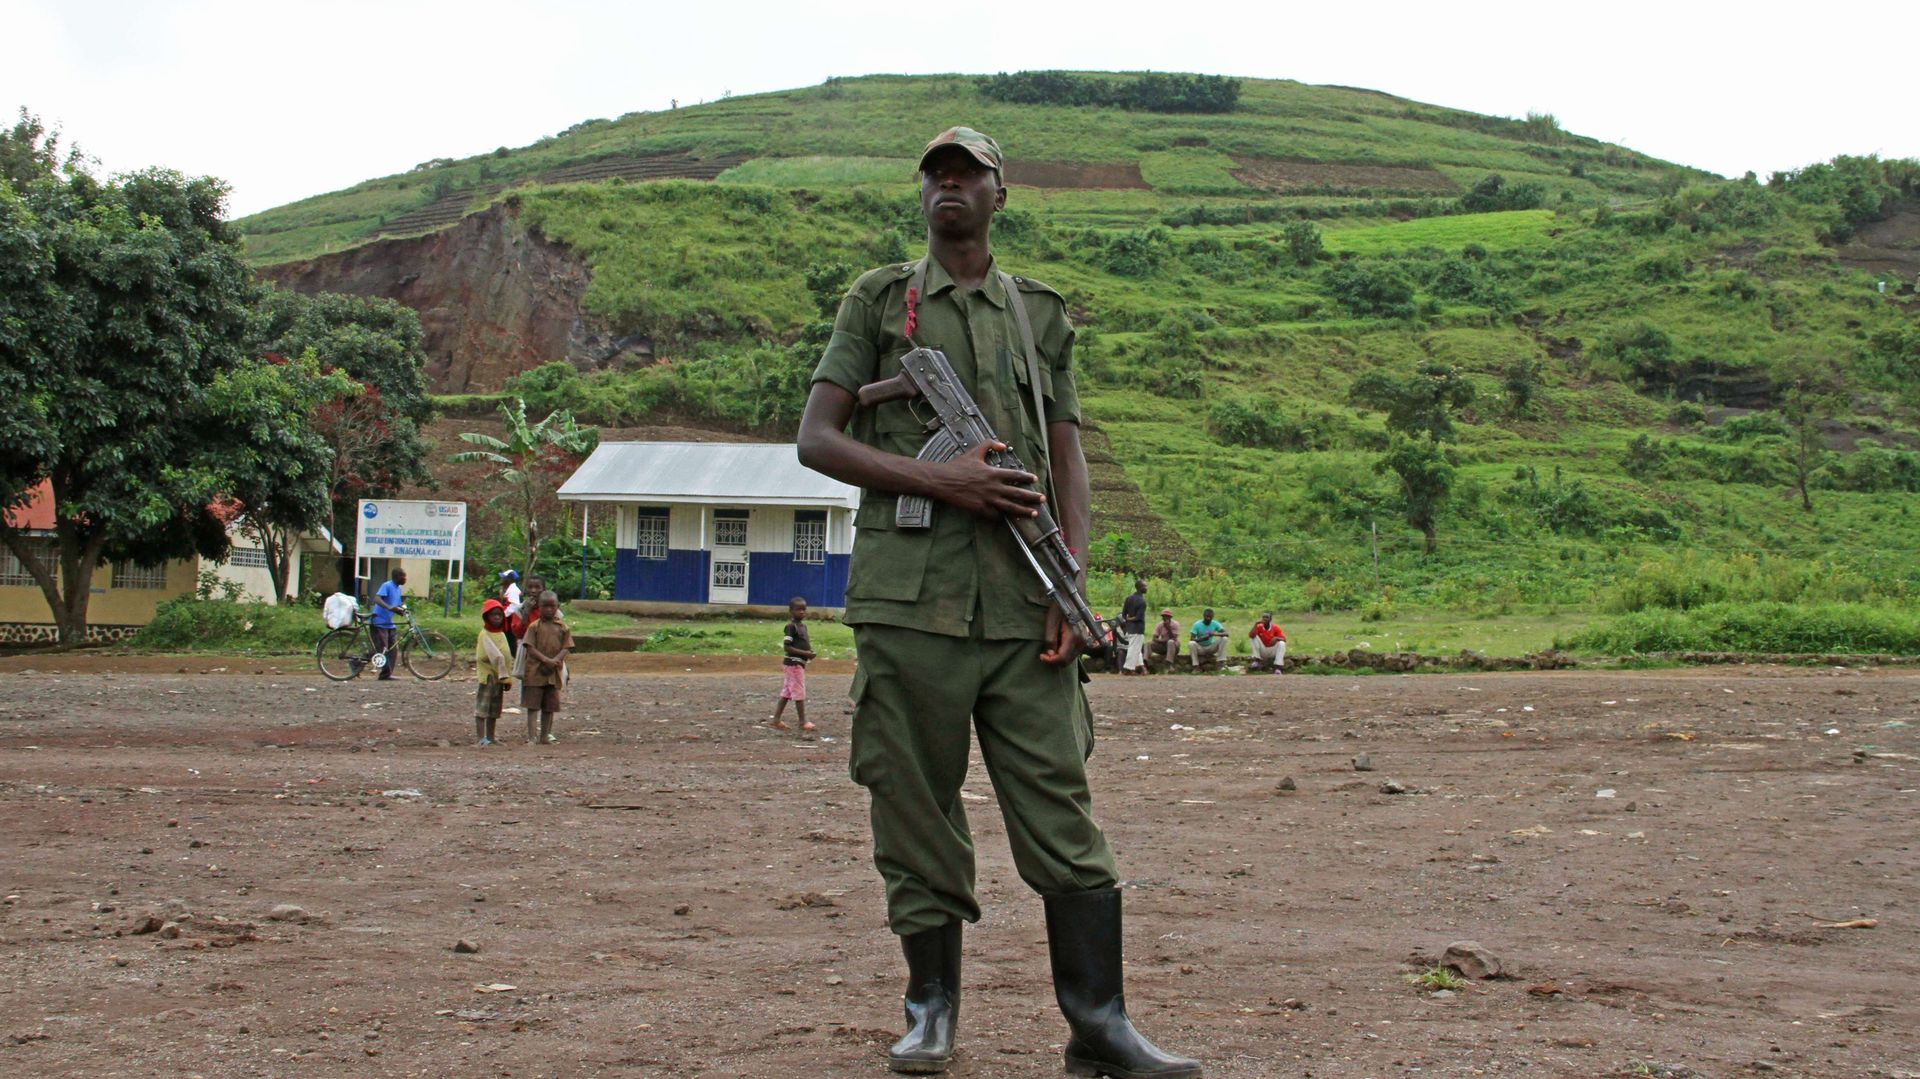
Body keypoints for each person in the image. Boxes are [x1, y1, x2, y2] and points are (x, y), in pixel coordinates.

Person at [797, 126, 1198, 1078]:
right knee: (914, 808)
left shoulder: (1038, 315)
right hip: (909, 606)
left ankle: (1098, 1023)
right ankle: (930, 1008)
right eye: (935, 174)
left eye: (967, 175)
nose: (949, 187)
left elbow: (1067, 457)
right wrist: (945, 483)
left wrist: (1074, 585)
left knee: (1062, 806)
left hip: (1026, 607)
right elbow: (817, 437)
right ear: (922, 195)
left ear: (997, 194)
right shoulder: (876, 300)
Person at [518, 591, 572, 745]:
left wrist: (555, 660)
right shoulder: (534, 626)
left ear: (558, 607)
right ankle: (532, 737)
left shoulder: (562, 627)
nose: (549, 609)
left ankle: (545, 735)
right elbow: (530, 647)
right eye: (545, 606)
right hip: (535, 671)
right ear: (539, 607)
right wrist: (546, 660)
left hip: (553, 671)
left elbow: (566, 646)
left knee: (550, 705)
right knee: (532, 705)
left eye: (552, 606)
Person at [771, 596, 816, 732]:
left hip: (798, 663)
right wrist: (806, 654)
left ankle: (776, 720)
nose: (802, 612)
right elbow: (787, 647)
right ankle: (803, 721)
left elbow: (802, 643)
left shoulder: (803, 627)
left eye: (804, 609)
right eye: (798, 609)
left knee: (787, 692)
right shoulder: (791, 627)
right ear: (791, 611)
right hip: (793, 664)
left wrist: (809, 651)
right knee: (798, 692)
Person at [474, 600, 512, 745]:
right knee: (483, 707)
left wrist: (507, 678)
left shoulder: (501, 634)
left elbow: (506, 656)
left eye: (499, 615)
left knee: (494, 709)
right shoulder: (485, 634)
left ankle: (491, 737)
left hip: (499, 678)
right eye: (493, 615)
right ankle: (481, 738)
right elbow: (485, 655)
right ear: (486, 617)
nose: (497, 618)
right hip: (488, 676)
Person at [368, 567, 407, 681]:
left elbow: (397, 604)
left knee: (393, 649)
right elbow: (377, 599)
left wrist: (401, 610)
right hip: (379, 622)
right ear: (397, 577)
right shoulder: (387, 585)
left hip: (389, 623)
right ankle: (356, 662)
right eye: (403, 576)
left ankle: (386, 675)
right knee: (381, 649)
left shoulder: (398, 589)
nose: (405, 579)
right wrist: (390, 608)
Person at [1119, 579, 1148, 674]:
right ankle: (1128, 668)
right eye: (1145, 586)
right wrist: (1130, 619)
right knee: (1133, 649)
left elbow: (1123, 614)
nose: (1146, 588)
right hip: (1138, 628)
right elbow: (1138, 618)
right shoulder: (1142, 602)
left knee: (1136, 648)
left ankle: (1141, 667)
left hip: (1129, 628)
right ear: (1140, 588)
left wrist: (1127, 620)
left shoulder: (1128, 598)